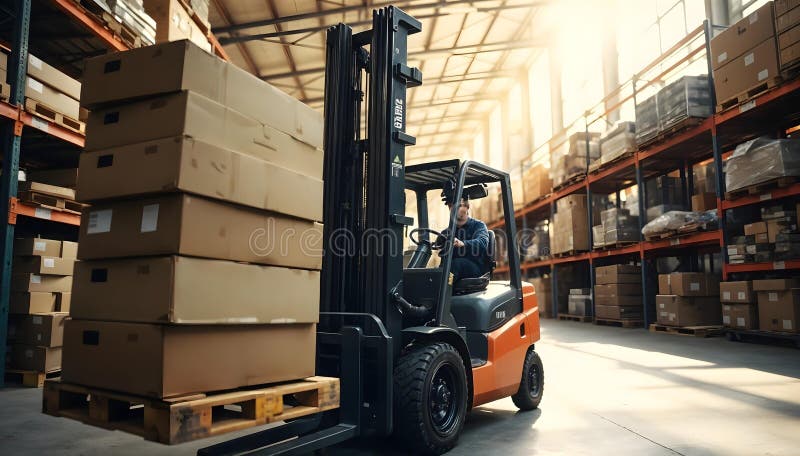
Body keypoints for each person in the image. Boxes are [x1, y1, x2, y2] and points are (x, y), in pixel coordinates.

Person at [442, 197, 490, 282]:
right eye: (450, 206)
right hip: (452, 270)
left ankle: (445, 291)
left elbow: (482, 242)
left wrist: (463, 243)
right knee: (438, 270)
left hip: (475, 270)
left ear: (467, 207)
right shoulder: (446, 232)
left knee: (456, 264)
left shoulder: (478, 226)